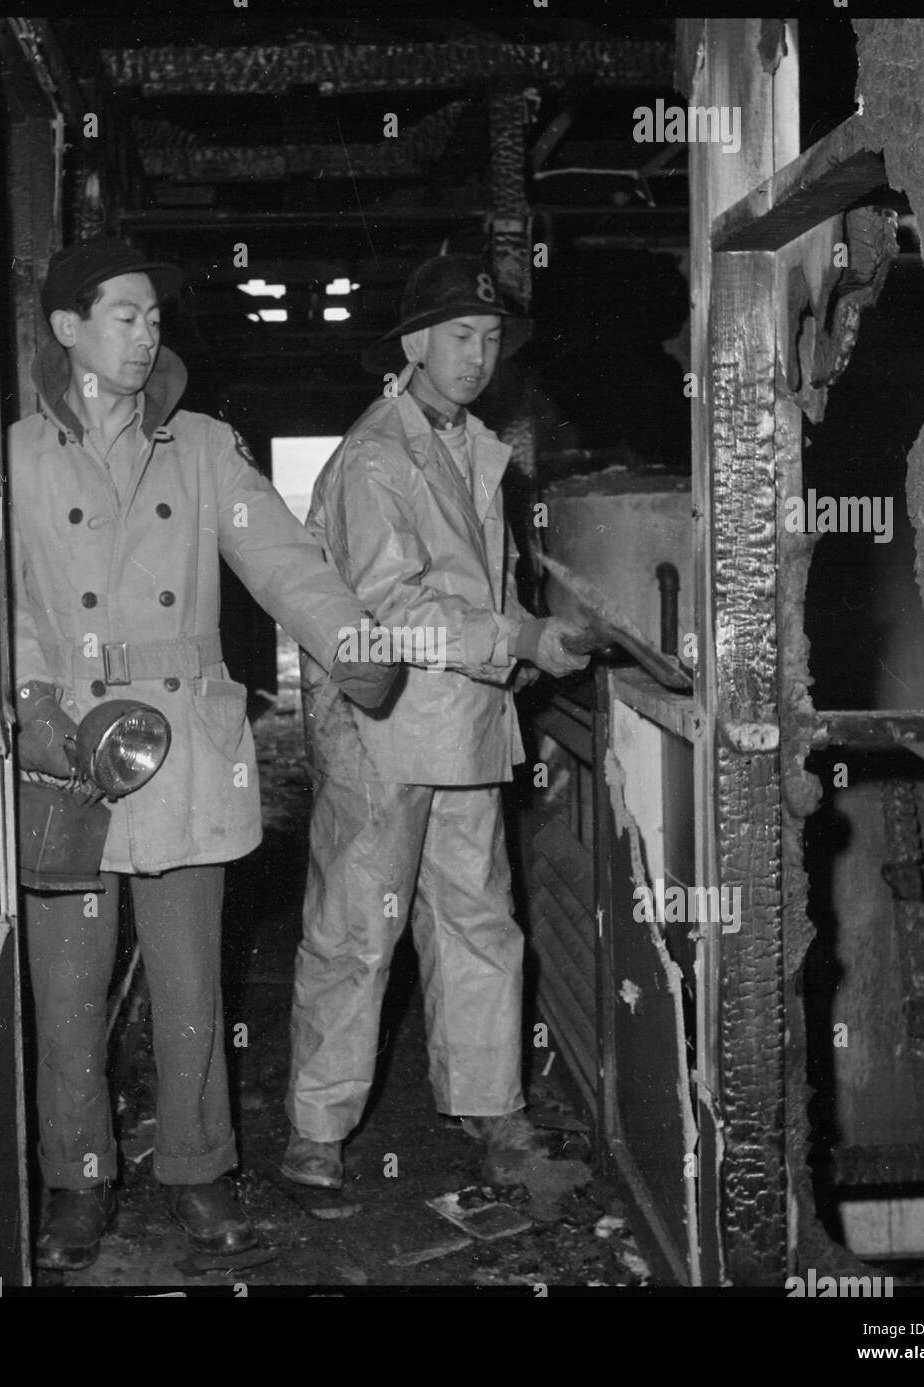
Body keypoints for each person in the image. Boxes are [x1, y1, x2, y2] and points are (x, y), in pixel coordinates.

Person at [8, 238, 394, 1271]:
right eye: (126, 314)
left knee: (189, 988)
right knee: (69, 991)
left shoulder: (203, 446)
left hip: (181, 751)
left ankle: (198, 1170)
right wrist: (31, 700)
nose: (147, 333)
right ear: (66, 329)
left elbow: (283, 558)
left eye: (153, 317)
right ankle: (76, 1180)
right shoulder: (8, 458)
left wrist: (349, 639)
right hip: (69, 754)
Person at [281, 253, 589, 1193]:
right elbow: (393, 610)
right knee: (354, 929)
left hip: (462, 727)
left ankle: (494, 1114)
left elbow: (486, 586)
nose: (477, 356)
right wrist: (521, 636)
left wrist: (526, 658)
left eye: (491, 340)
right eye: (459, 337)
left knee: (479, 924)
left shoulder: (472, 448)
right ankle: (318, 1129)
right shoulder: (377, 458)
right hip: (383, 729)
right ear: (415, 344)